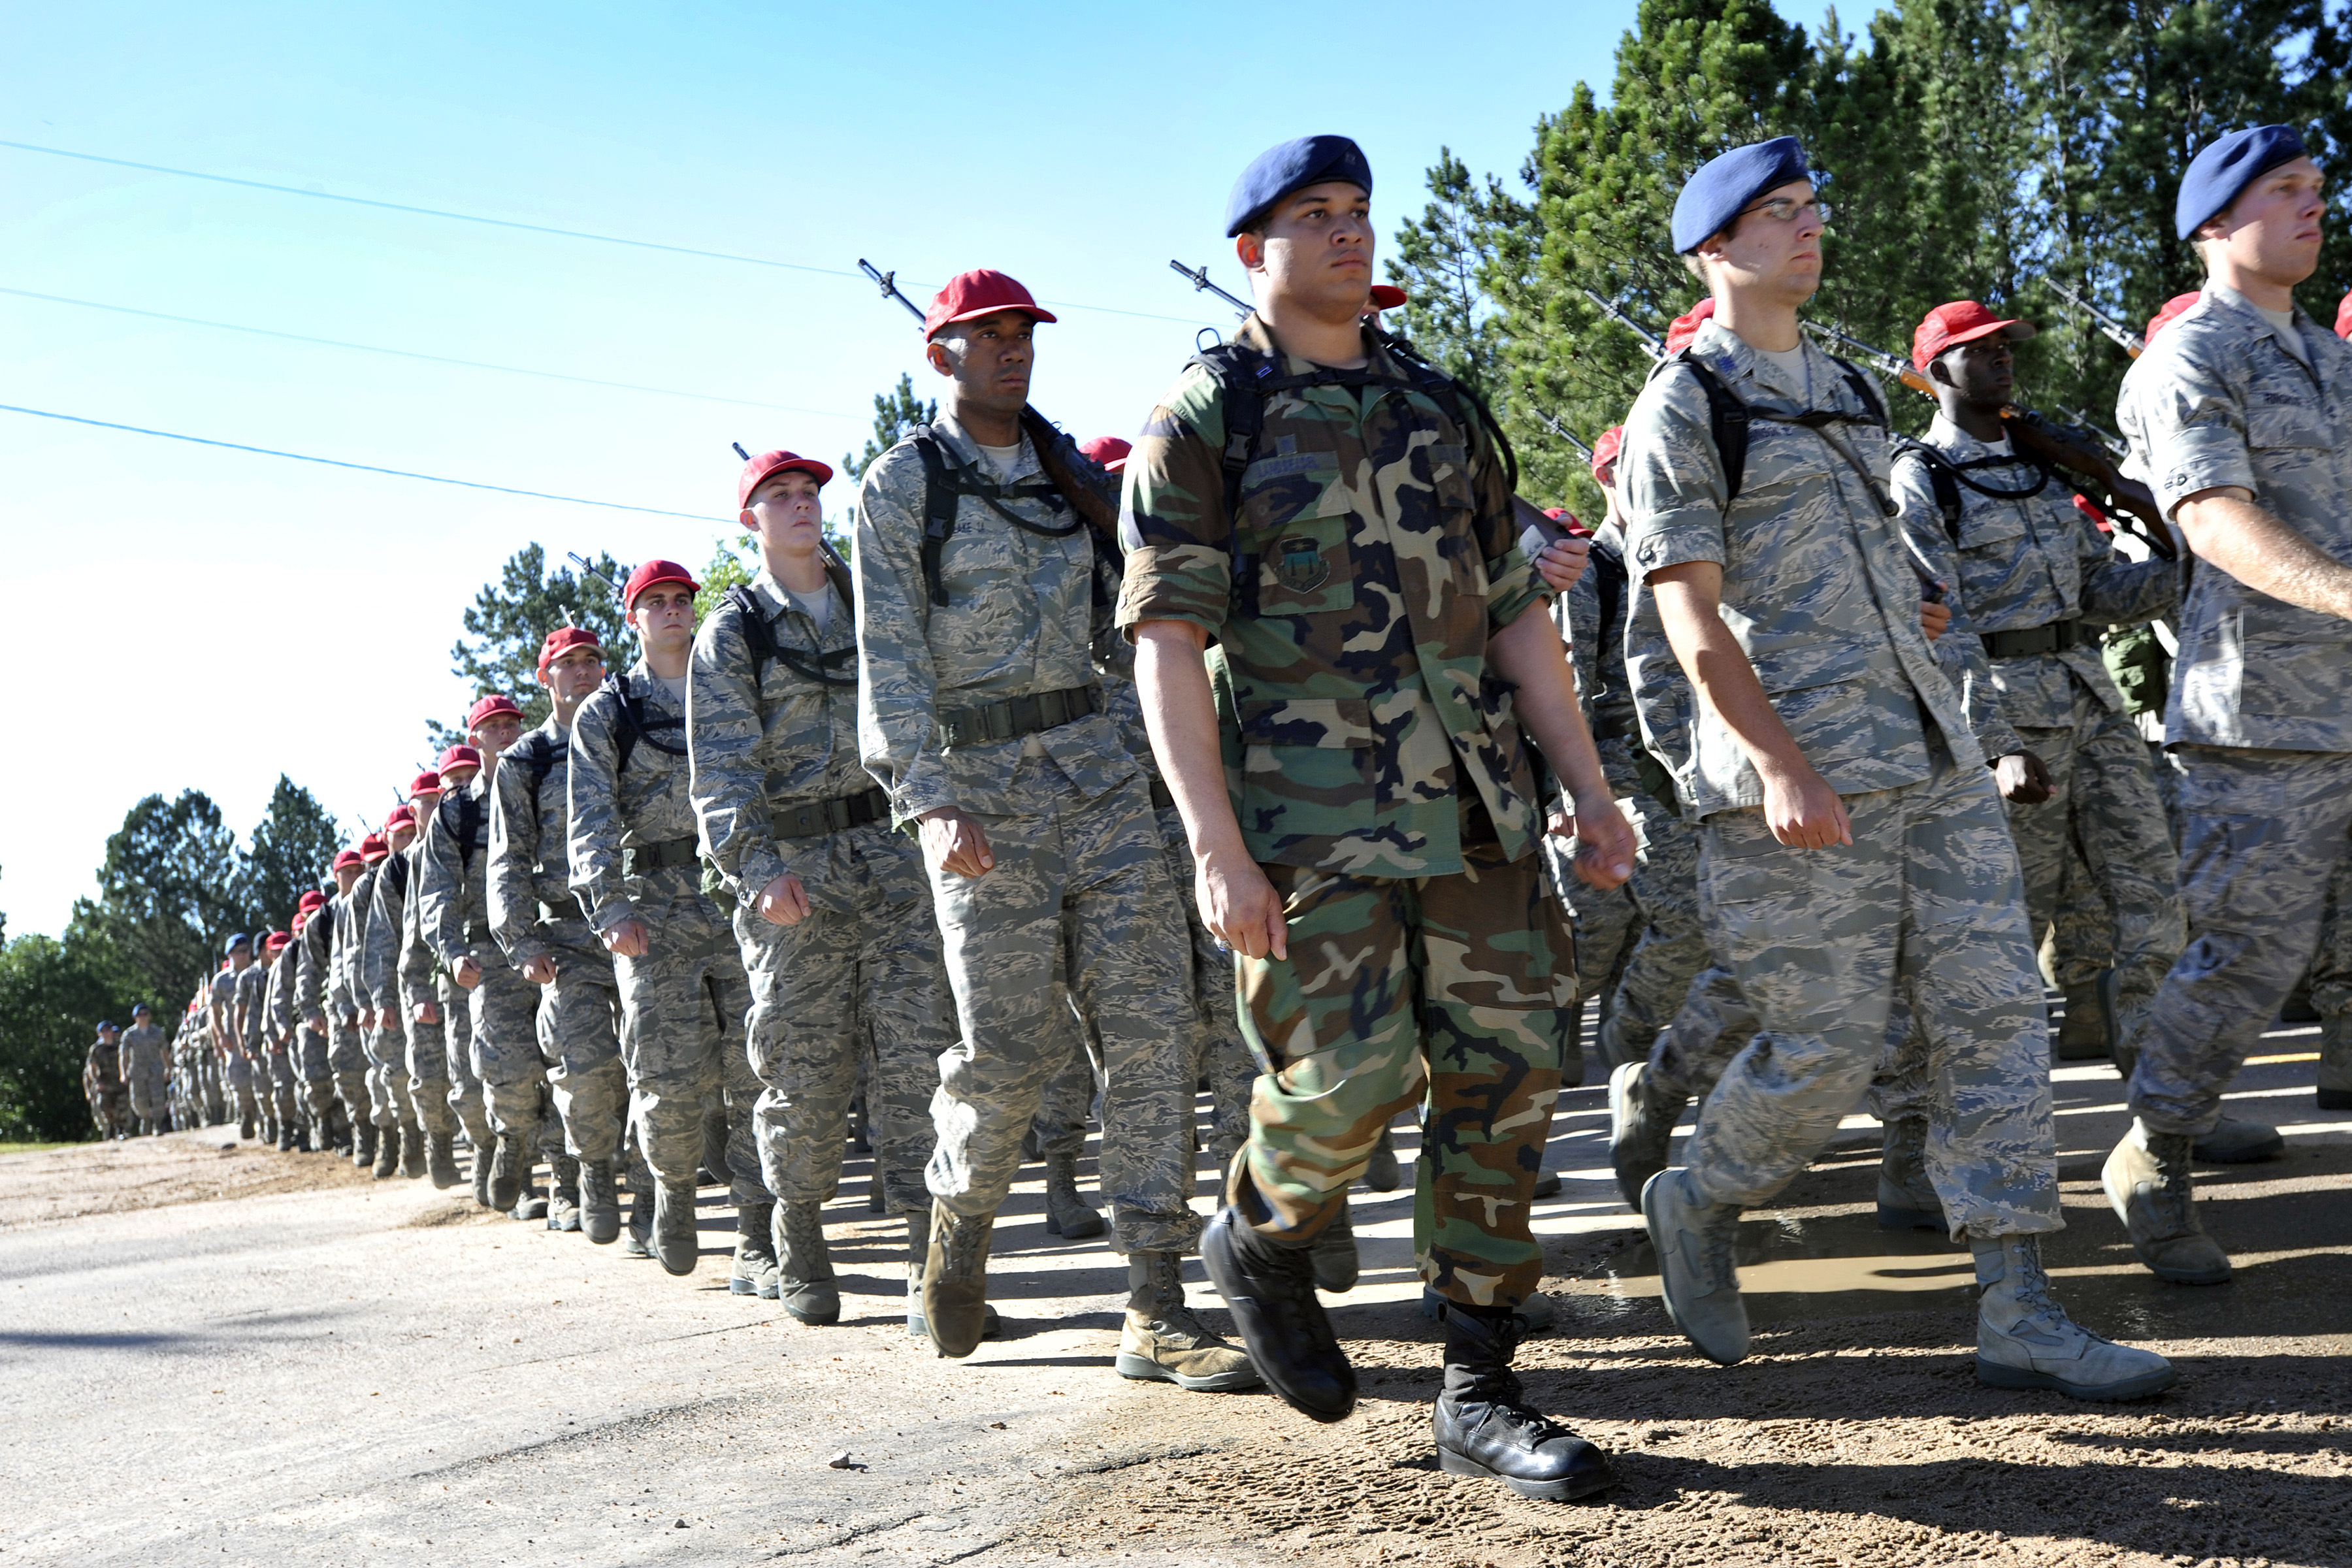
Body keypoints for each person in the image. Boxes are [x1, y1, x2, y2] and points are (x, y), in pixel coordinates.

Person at [1121, 135, 1634, 1499]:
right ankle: (1261, 1233)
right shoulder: (1208, 417)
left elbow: (1512, 614)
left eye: (1359, 210)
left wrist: (1586, 789)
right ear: (1255, 250)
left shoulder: (1435, 405)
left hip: (1475, 810)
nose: (1350, 232)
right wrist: (1214, 846)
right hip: (1311, 824)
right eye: (1316, 214)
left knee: (1505, 1078)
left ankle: (1480, 1388)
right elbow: (1167, 641)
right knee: (1349, 1082)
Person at [1618, 137, 2170, 1400]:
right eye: (1778, 212)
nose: (1809, 226)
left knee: (1996, 1014)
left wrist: (1911, 598)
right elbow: (1688, 618)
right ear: (1714, 248)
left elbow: (1877, 545)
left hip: (1931, 748)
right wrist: (1779, 767)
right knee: (1827, 1046)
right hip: (1798, 778)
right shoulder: (1684, 406)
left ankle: (2019, 1307)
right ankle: (1702, 1195)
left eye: (1813, 204)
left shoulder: (1847, 390)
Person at [856, 270, 1255, 1393]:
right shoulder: (905, 484)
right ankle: (959, 1223)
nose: (1012, 349)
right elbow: (890, 652)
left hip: (1100, 778)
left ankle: (1156, 1303)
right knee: (1007, 1049)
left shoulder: (1072, 475)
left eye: (1023, 333)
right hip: (979, 799)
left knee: (1153, 1030)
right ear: (940, 354)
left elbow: (1133, 624)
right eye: (986, 335)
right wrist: (927, 798)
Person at [2107, 125, 2352, 1281]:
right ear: (2214, 222)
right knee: (2250, 958)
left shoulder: (2338, 363)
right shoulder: (2187, 359)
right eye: (2287, 190)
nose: (2316, 205)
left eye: (2319, 187)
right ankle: (2158, 1146)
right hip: (2264, 718)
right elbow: (2210, 518)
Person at [575, 559, 770, 1275]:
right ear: (633, 618)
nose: (671, 611)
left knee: (757, 1067)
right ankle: (675, 1195)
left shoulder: (730, 684)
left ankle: (757, 1231)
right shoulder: (609, 712)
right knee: (668, 1076)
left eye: (681, 599)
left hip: (735, 894)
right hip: (652, 912)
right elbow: (590, 821)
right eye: (654, 602)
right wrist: (610, 908)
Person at [488, 629, 617, 1237]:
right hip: (567, 934)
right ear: (546, 677)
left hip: (648, 920)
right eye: (569, 664)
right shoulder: (527, 760)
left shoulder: (629, 728)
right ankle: (592, 1172)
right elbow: (508, 859)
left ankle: (651, 1198)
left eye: (592, 661)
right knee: (585, 1069)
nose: (583, 672)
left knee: (657, 1067)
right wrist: (521, 940)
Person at [422, 693, 559, 1222]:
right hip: (491, 955)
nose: (505, 732)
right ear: (474, 737)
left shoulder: (546, 781)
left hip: (557, 938)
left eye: (512, 724)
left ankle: (570, 1182)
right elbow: (437, 891)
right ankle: (516, 1166)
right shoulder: (458, 811)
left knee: (569, 1060)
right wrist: (452, 952)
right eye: (493, 726)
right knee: (508, 1069)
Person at [376, 777, 466, 1189]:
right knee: (428, 1074)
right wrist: (390, 996)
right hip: (420, 980)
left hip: (466, 973)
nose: (437, 806)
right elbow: (386, 941)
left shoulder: (466, 836)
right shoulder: (398, 868)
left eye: (439, 798)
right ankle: (437, 1143)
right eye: (427, 802)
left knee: (473, 1068)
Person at [301, 860, 369, 1158]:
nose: (355, 876)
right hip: (342, 1002)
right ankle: (362, 1129)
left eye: (359, 870)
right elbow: (309, 969)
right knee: (348, 1069)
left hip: (381, 993)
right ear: (335, 876)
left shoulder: (376, 897)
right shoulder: (323, 920)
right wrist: (310, 1009)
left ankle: (394, 1133)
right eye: (348, 871)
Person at [120, 1004, 170, 1135]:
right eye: (139, 1015)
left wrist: (168, 1068)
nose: (143, 1017)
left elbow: (164, 1051)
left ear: (149, 1016)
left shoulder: (157, 1032)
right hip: (137, 1072)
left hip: (156, 1070)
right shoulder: (129, 1034)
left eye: (145, 1014)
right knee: (138, 1100)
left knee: (158, 1098)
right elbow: (124, 1055)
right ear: (135, 1017)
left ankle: (157, 1125)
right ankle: (146, 1118)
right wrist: (123, 1073)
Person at [84, 1021, 129, 1139]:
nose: (106, 1033)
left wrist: (126, 1075)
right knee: (105, 1107)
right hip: (105, 1084)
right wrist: (97, 1081)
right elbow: (92, 1067)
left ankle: (120, 1129)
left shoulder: (120, 1045)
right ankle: (111, 1125)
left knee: (122, 1107)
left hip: (119, 1082)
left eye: (108, 1030)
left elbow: (127, 1059)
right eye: (103, 1031)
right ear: (99, 1034)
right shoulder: (96, 1049)